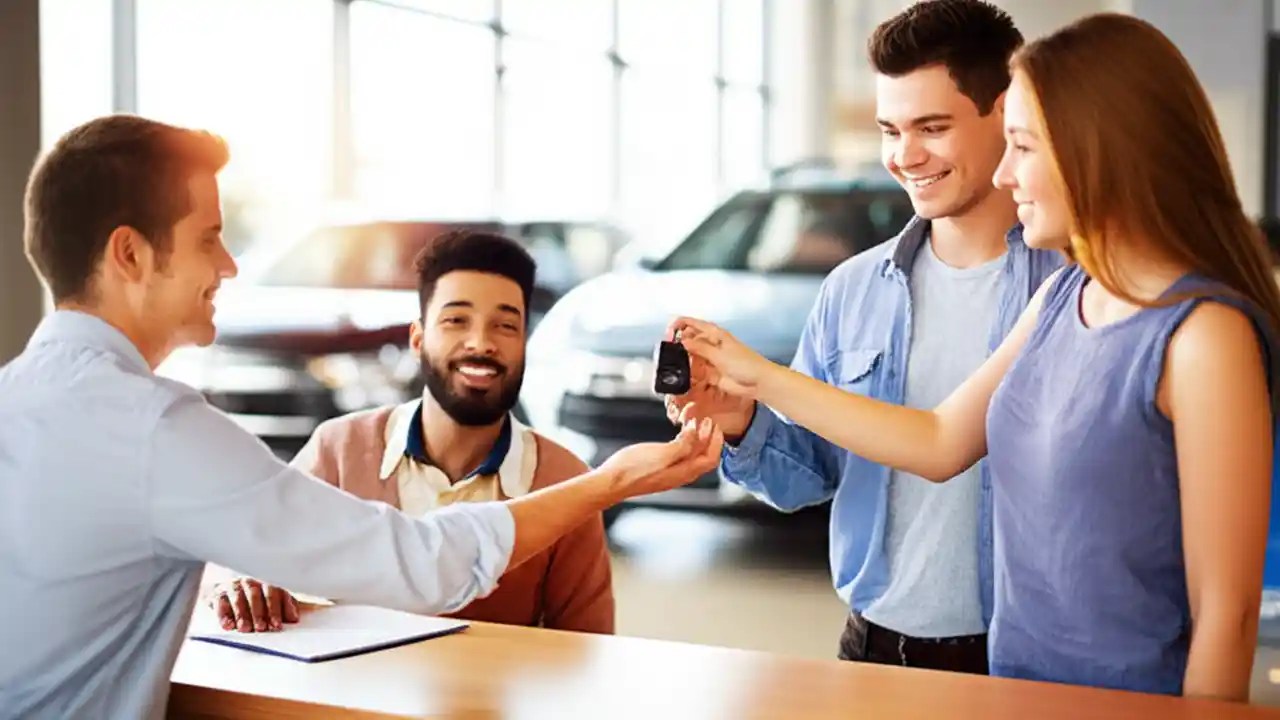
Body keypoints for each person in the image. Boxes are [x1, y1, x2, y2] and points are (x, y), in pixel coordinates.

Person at [0, 114, 722, 719]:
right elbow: (423, 565)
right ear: (129, 253)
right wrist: (611, 482)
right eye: (207, 237)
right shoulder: (158, 431)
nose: (229, 265)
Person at [672, 12, 1279, 701]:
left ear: (1092, 149)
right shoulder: (1063, 297)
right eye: (889, 131)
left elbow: (1225, 619)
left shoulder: (1192, 331)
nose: (1005, 175)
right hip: (994, 687)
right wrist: (756, 386)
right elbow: (936, 441)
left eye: (1021, 145)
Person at [668, 0, 1059, 674]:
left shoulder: (1073, 287)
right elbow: (809, 476)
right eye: (890, 129)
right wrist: (743, 424)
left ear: (1006, 113)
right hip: (870, 647)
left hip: (1024, 659)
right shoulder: (852, 291)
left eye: (932, 127)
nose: (905, 156)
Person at [208, 231, 615, 636]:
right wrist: (243, 580)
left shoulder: (566, 482)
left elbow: (589, 651)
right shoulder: (340, 449)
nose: (481, 342)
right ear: (418, 339)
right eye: (456, 320)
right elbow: (248, 549)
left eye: (506, 326)